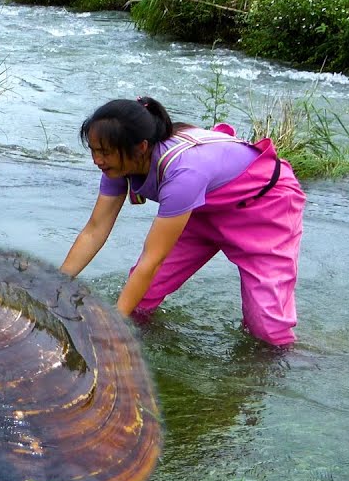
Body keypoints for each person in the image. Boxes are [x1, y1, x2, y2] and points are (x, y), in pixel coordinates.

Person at [60, 96, 306, 346]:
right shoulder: (119, 164)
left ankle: (294, 364)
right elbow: (94, 230)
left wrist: (111, 327)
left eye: (105, 153)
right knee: (139, 302)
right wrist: (53, 286)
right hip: (200, 209)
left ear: (141, 147)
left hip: (264, 208)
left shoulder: (183, 173)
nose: (97, 160)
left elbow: (151, 260)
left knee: (268, 332)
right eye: (94, 150)